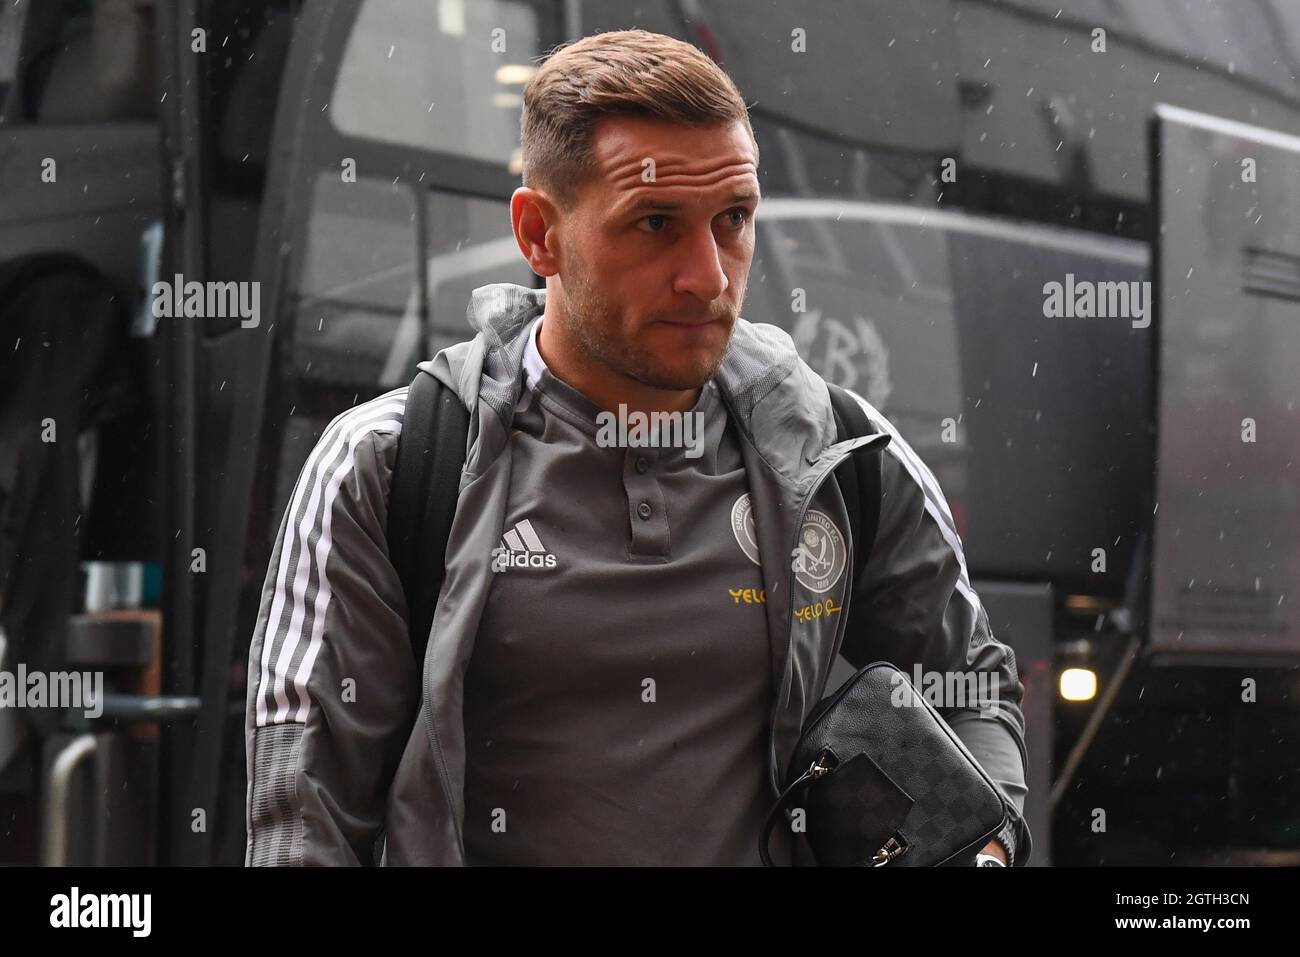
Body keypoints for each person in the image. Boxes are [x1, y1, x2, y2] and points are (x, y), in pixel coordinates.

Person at [244, 28, 1030, 866]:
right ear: (539, 234)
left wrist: (979, 852)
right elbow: (306, 822)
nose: (709, 276)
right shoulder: (391, 465)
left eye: (733, 219)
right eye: (655, 223)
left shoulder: (842, 451)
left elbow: (973, 685)